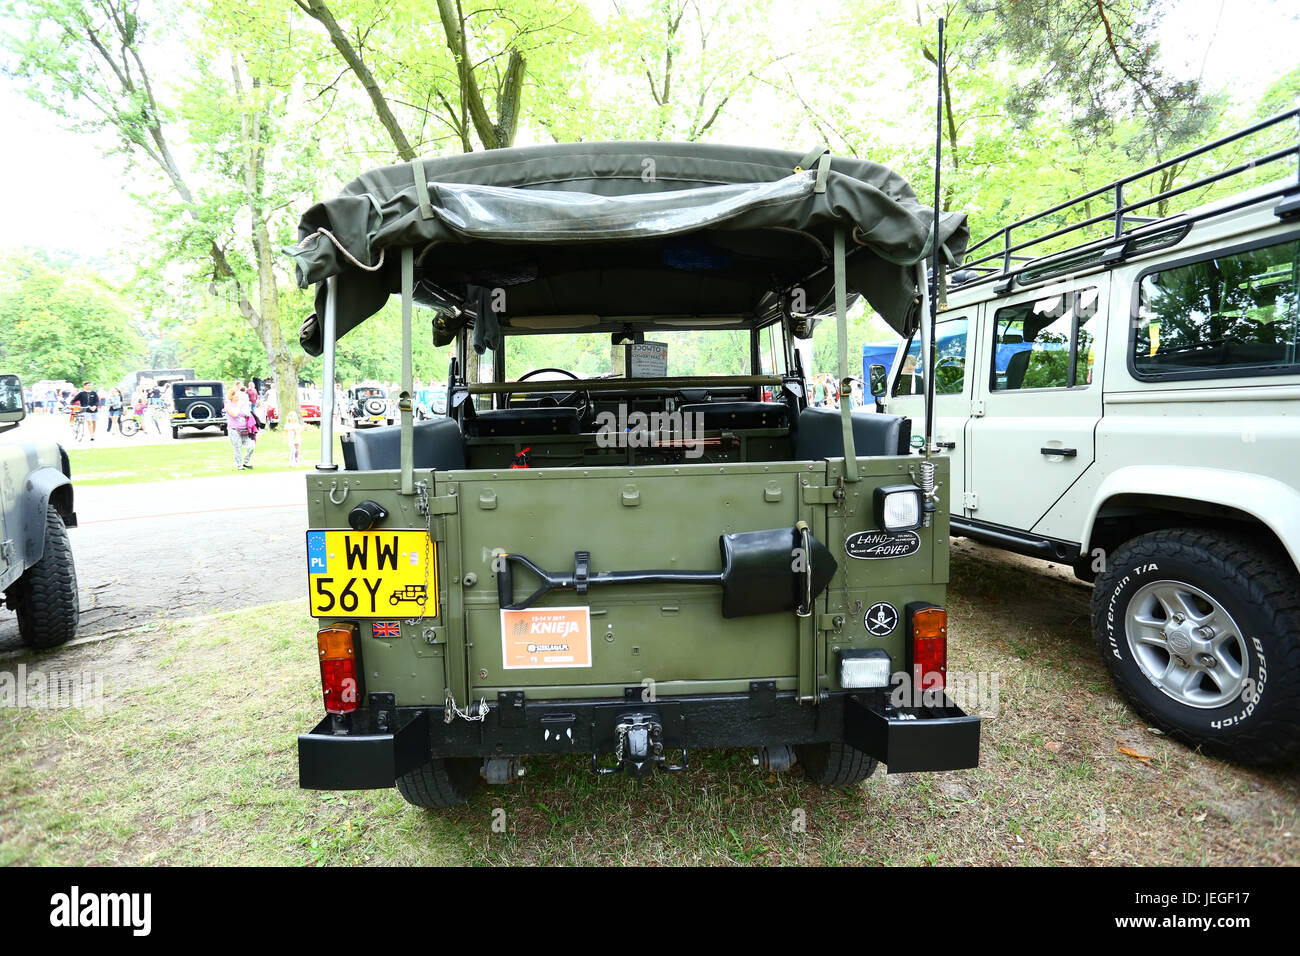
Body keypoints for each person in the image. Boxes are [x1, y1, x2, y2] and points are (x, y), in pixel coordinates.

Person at [224, 384, 255, 470]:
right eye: (235, 395)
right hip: (234, 430)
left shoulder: (242, 404)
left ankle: (246, 462)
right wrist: (239, 405)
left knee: (251, 446)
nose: (237, 397)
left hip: (245, 430)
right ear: (231, 396)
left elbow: (248, 413)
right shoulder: (228, 405)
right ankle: (239, 465)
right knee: (237, 448)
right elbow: (235, 414)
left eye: (238, 395)